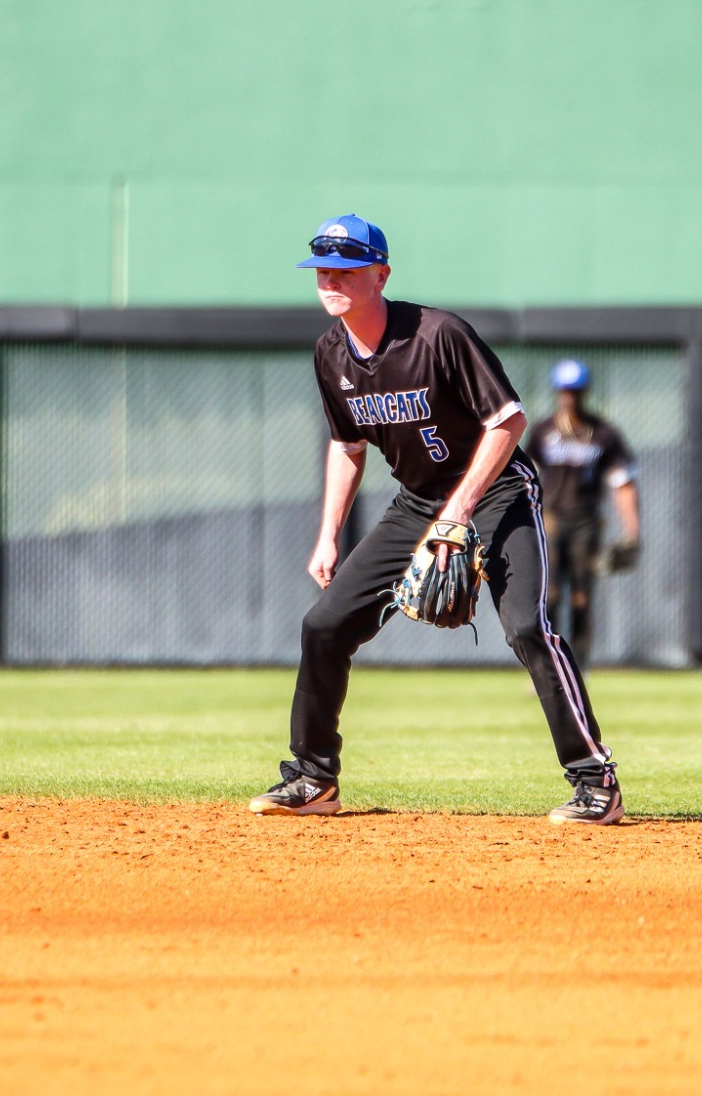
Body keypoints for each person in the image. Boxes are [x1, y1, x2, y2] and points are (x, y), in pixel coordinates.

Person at [249, 215, 622, 825]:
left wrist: (461, 510)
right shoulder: (331, 351)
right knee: (324, 625)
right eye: (321, 269)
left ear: (380, 273)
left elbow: (507, 422)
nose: (330, 279)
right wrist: (327, 534)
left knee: (528, 628)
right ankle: (314, 776)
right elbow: (348, 444)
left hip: (499, 494)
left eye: (345, 267)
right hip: (418, 503)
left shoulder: (438, 334)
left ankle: (595, 781)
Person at [523, 360, 641, 668]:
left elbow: (623, 482)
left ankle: (578, 667)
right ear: (557, 392)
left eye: (575, 391)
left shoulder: (602, 434)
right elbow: (523, 479)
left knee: (581, 598)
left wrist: (632, 532)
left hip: (586, 523)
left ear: (584, 391)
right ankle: (547, 667)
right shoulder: (543, 431)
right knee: (548, 597)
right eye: (564, 390)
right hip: (550, 519)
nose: (569, 397)